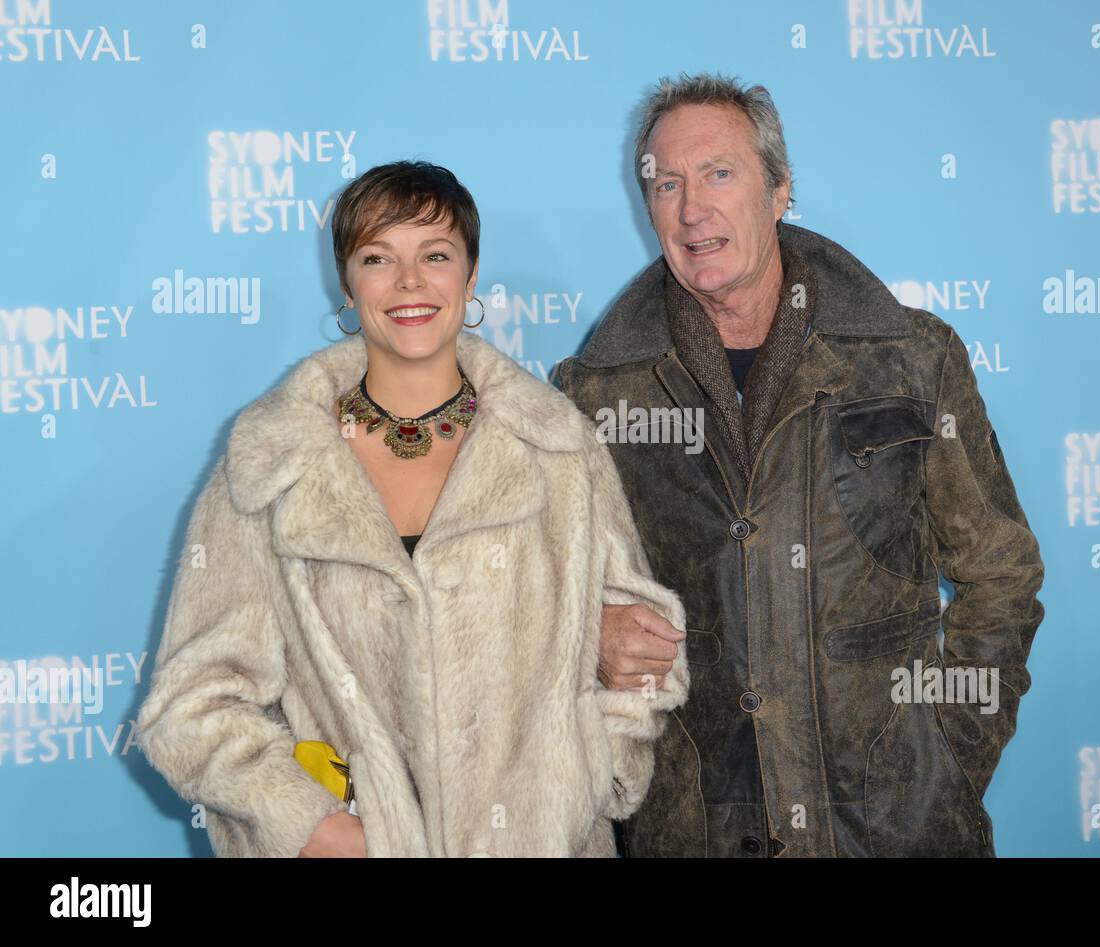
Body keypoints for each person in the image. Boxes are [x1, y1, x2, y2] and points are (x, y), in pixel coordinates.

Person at [554, 74, 1047, 857]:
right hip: (699, 831)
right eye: (666, 183)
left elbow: (1001, 572)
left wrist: (946, 755)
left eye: (720, 173)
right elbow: (540, 594)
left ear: (779, 189)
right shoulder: (595, 391)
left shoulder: (910, 357)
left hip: (895, 830)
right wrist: (588, 634)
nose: (691, 208)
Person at [137, 160, 688, 857]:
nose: (409, 282)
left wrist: (595, 772)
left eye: (435, 255)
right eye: (378, 257)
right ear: (347, 282)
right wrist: (312, 823)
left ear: (471, 274)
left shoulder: (554, 446)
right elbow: (191, 706)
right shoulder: (271, 463)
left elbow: (640, 651)